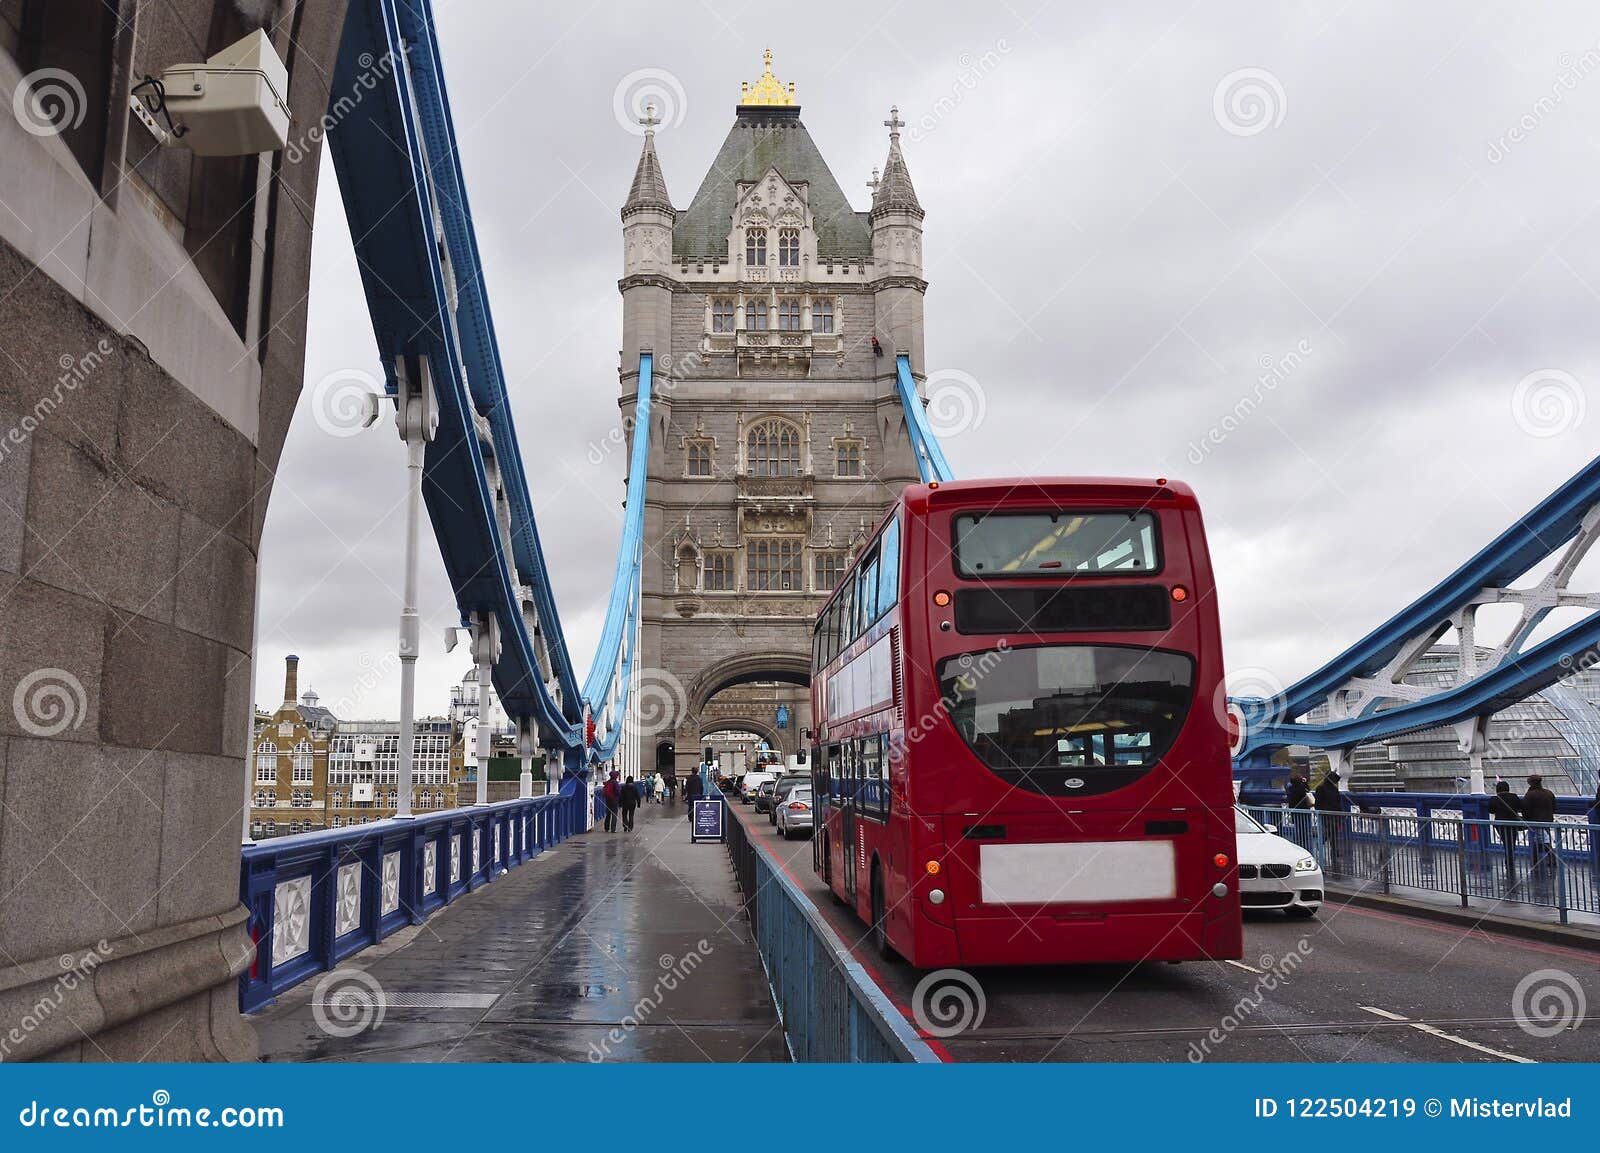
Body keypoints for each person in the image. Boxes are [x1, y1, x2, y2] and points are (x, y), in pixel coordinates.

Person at [1488, 780, 1523, 884]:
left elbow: (1490, 810)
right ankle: (1510, 860)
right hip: (1513, 823)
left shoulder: (1494, 798)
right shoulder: (1514, 797)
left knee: (1506, 841)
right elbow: (1520, 807)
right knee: (1512, 840)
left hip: (1500, 824)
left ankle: (1509, 860)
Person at [1522, 774, 1558, 875]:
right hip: (1547, 820)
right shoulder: (1549, 793)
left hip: (1535, 821)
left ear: (1531, 783)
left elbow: (1525, 809)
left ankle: (1549, 860)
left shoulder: (1530, 795)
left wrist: (1526, 820)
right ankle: (1538, 861)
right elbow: (1555, 807)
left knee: (1542, 841)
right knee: (1540, 840)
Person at [1314, 770, 1344, 870]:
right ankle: (1323, 844)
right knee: (1330, 831)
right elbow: (1319, 803)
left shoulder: (1330, 788)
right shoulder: (1322, 789)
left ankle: (1331, 849)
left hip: (1334, 814)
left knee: (1333, 832)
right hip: (1327, 814)